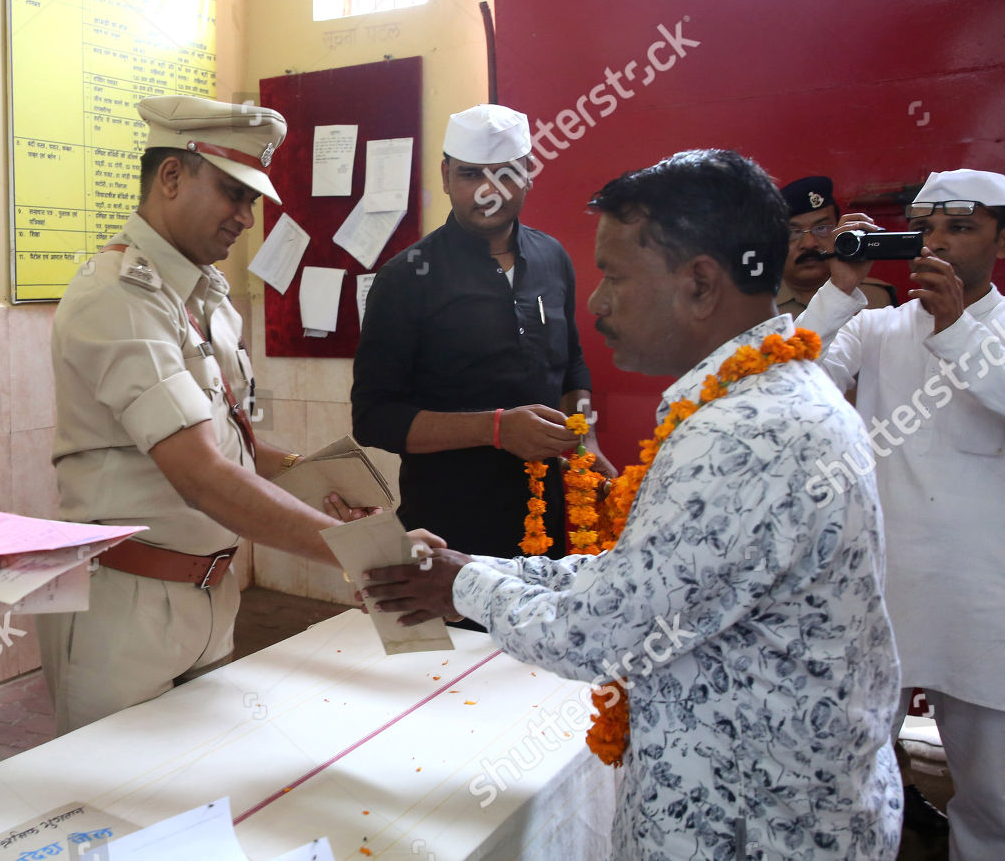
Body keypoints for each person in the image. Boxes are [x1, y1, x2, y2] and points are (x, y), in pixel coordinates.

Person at [363, 149, 902, 859]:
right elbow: (638, 576)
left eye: (615, 275)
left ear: (701, 284)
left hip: (755, 831)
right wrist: (476, 568)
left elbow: (599, 631)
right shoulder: (757, 402)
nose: (595, 302)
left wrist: (461, 585)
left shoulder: (748, 435)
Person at [44, 95, 431, 733]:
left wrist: (317, 482)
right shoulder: (117, 298)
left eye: (251, 200)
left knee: (197, 793)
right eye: (232, 193)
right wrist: (362, 553)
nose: (245, 218)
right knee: (119, 811)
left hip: (211, 595)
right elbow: (200, 475)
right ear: (171, 177)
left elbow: (233, 450)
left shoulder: (209, 300)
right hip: (124, 606)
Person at [797, 168, 1005, 861]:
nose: (938, 241)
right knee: (849, 778)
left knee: (993, 796)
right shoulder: (877, 328)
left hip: (980, 600)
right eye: (928, 226)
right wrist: (839, 290)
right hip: (879, 588)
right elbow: (790, 380)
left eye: (962, 226)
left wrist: (953, 328)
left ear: (1000, 240)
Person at [351, 104, 612, 571]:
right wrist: (495, 430)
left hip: (547, 528)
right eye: (472, 175)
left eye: (507, 174)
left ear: (529, 173)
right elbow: (374, 419)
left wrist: (586, 440)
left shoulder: (554, 258)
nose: (489, 192)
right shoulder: (406, 278)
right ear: (447, 176)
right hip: (448, 532)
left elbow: (572, 365)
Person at [777, 175, 895, 315]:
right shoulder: (759, 304)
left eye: (822, 228)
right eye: (794, 232)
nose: (809, 244)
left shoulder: (875, 297)